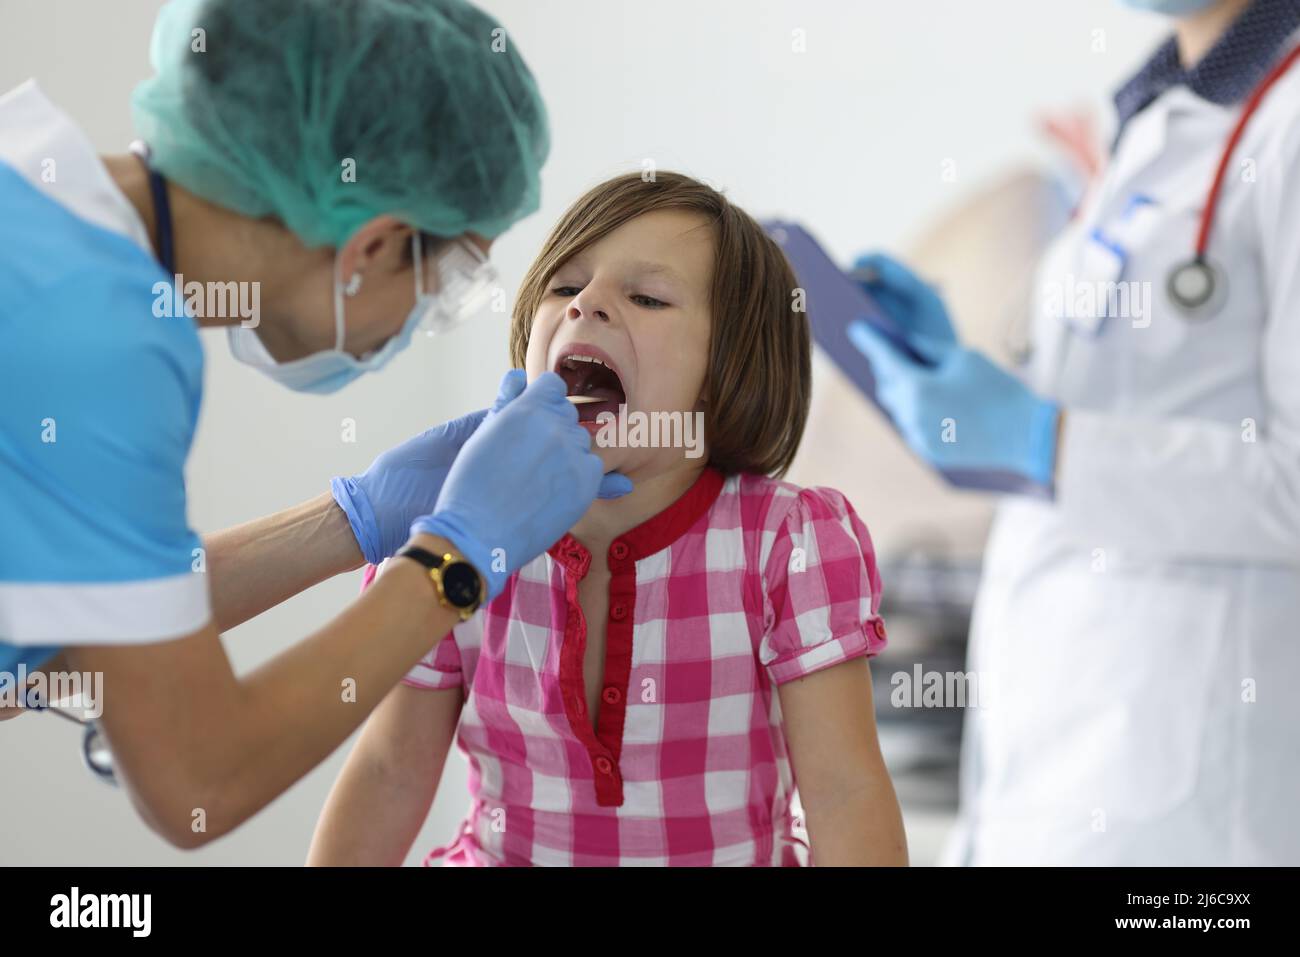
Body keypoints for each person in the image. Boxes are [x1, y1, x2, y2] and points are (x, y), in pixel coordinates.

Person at [0, 0, 631, 848]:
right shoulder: (98, 340)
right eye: (444, 286)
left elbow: (69, 636)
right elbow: (200, 777)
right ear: (373, 245)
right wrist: (453, 560)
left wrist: (354, 519)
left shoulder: (36, 219)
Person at [306, 173, 908, 866]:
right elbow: (390, 771)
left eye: (647, 296)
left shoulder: (784, 544)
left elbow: (844, 792)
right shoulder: (454, 539)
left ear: (732, 366)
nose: (586, 304)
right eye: (564, 288)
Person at [848, 0, 1300, 864]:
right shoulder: (1163, 114)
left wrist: (1043, 444)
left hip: (1198, 814)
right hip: (1060, 770)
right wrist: (969, 375)